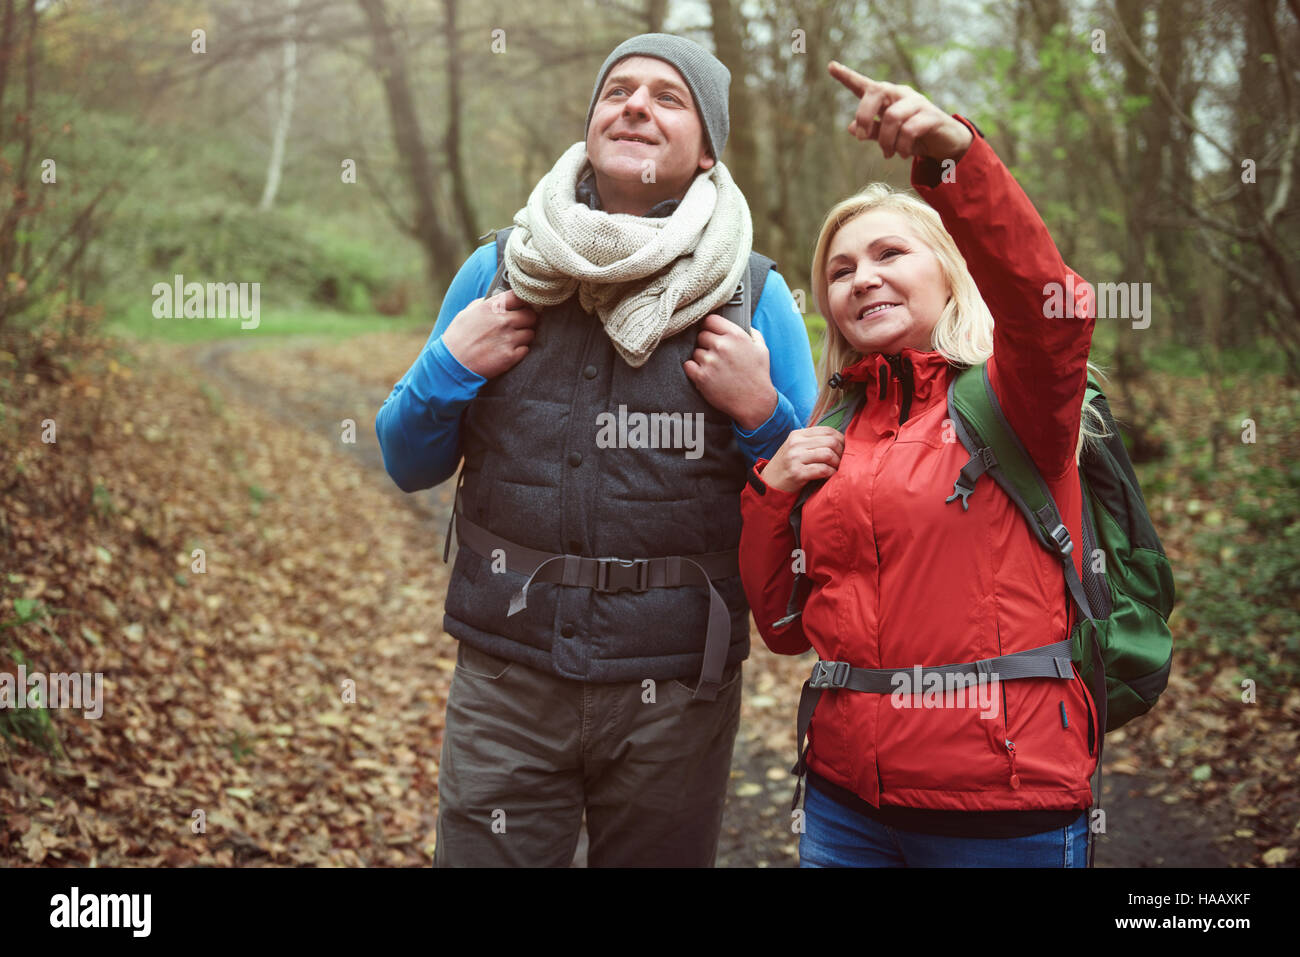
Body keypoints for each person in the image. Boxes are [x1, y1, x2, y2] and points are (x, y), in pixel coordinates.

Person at [375, 33, 817, 867]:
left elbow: (816, 510)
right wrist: (447, 366)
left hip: (679, 686)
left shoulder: (756, 295)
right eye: (618, 90)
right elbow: (406, 460)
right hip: (508, 676)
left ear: (708, 148)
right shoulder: (498, 271)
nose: (636, 105)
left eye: (667, 96)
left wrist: (763, 414)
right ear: (591, 124)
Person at [738, 61, 1101, 867]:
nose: (862, 276)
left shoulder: (1014, 401)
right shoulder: (838, 427)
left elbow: (1053, 304)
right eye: (840, 270)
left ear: (949, 268)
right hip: (842, 806)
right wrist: (772, 493)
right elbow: (784, 627)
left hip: (1003, 808)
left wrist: (952, 161)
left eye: (889, 253)